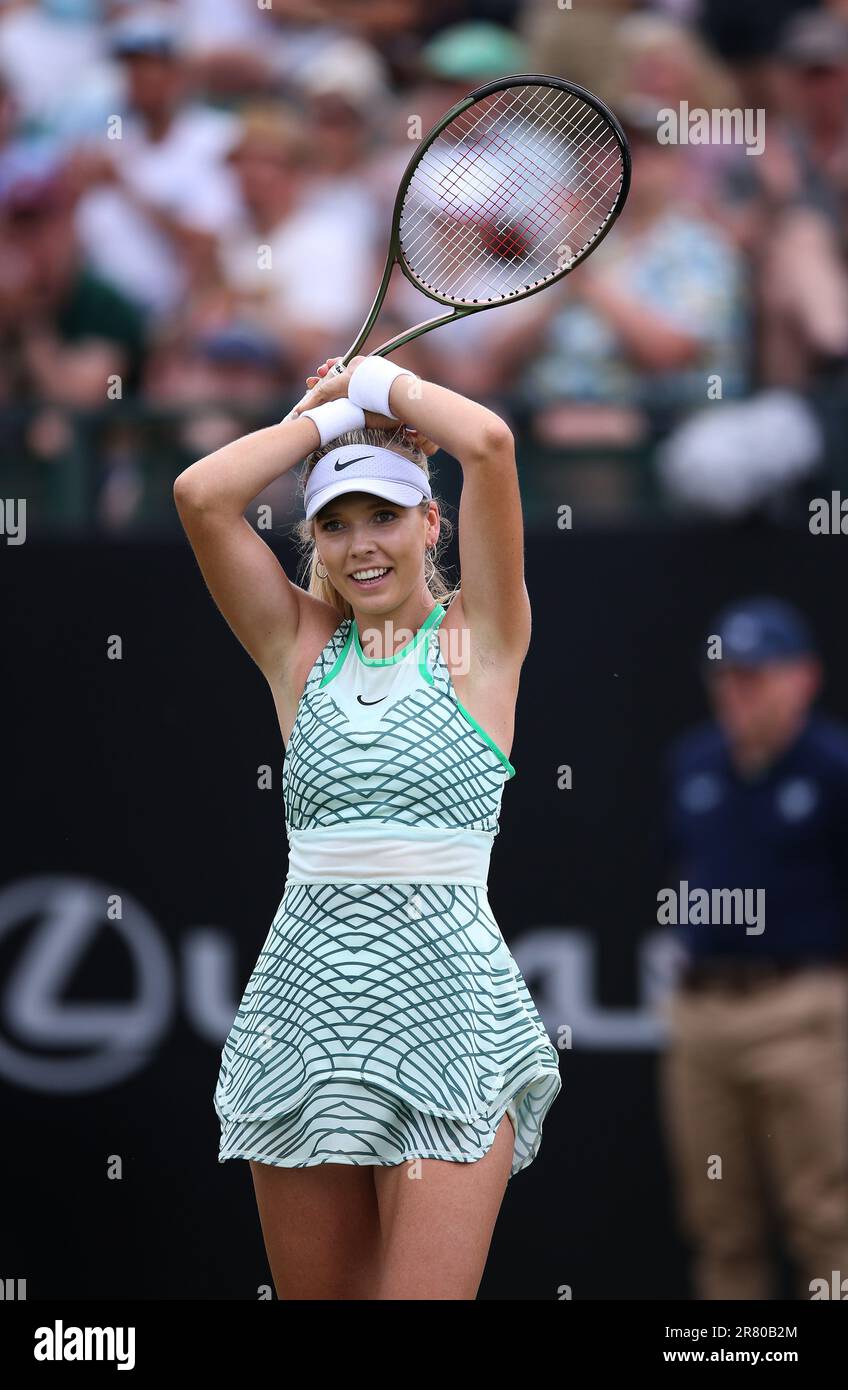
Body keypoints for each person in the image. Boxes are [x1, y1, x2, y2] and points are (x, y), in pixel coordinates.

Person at [173, 354, 561, 1300]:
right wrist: (321, 416)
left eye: (384, 516)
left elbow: (491, 444)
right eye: (335, 525)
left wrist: (380, 385)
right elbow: (199, 494)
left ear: (432, 522)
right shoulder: (298, 647)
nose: (361, 546)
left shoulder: (480, 639)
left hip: (451, 1021)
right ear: (314, 541)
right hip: (304, 1023)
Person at [658, 597, 848, 1300]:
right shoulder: (692, 763)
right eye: (728, 675)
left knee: (827, 1218)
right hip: (703, 1017)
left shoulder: (834, 769)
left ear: (803, 678)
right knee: (717, 1224)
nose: (738, 690)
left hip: (805, 1011)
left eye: (757, 675)